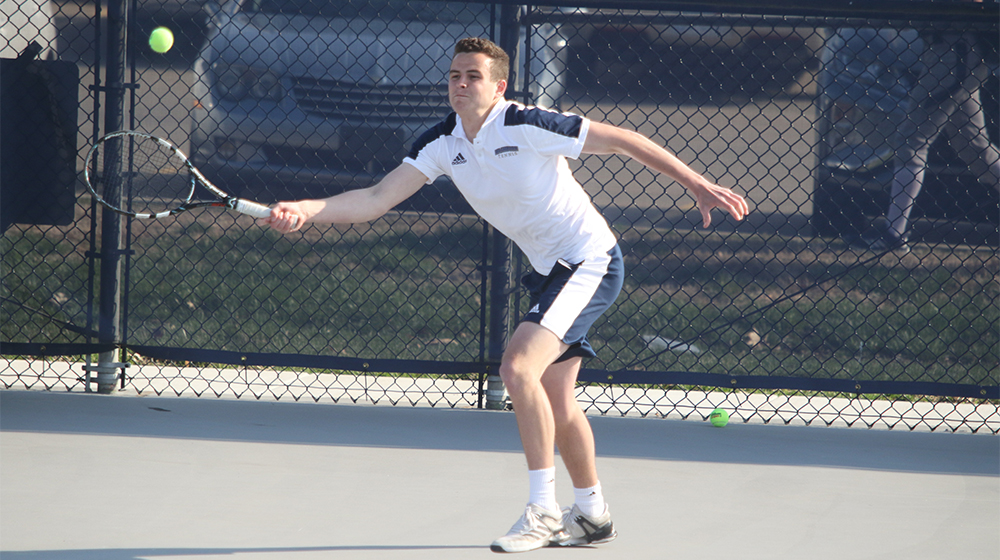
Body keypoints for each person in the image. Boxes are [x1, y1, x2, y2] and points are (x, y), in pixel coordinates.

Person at [265, 37, 748, 553]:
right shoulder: (441, 142)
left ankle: (543, 511)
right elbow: (376, 197)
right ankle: (593, 515)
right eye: (454, 75)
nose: (460, 84)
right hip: (550, 273)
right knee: (556, 397)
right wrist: (307, 209)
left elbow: (623, 140)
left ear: (498, 87)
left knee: (517, 368)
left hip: (589, 261)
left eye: (473, 76)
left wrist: (695, 183)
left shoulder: (526, 124)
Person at [858, 8, 1000, 253]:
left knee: (911, 142)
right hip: (950, 51)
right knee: (976, 151)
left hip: (955, 50)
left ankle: (894, 233)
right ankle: (894, 232)